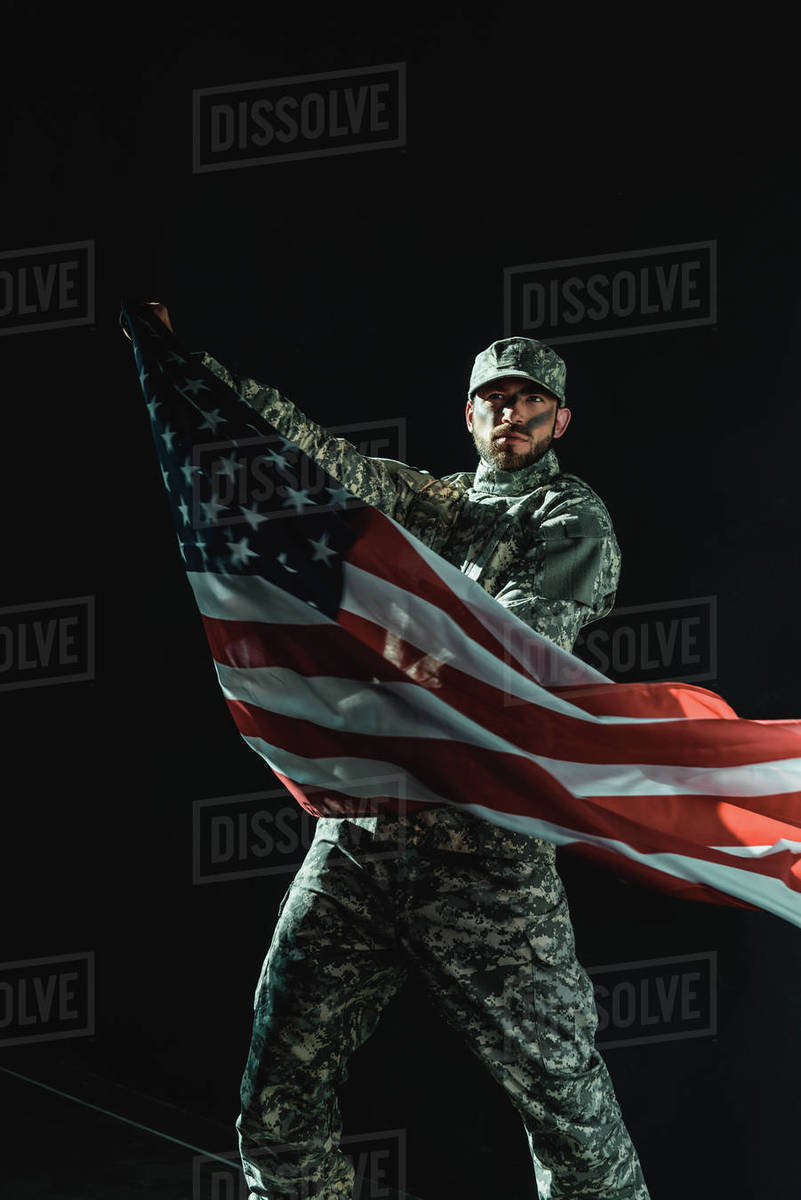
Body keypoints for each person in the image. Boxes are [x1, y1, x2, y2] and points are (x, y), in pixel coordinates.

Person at [131, 305, 650, 1199]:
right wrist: (195, 374)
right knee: (279, 1088)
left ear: (559, 420)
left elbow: (508, 654)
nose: (510, 416)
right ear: (469, 416)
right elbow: (315, 460)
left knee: (566, 1106)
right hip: (367, 843)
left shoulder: (569, 517)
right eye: (493, 400)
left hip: (484, 854)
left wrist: (376, 660)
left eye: (530, 403)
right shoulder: (431, 505)